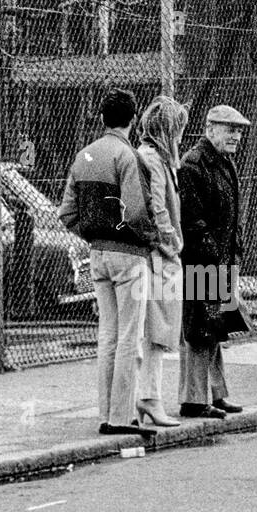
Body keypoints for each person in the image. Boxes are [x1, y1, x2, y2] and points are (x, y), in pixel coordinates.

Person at [58, 88, 158, 436]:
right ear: (134, 118)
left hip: (97, 253)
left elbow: (66, 212)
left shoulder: (84, 155)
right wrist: (152, 239)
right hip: (129, 255)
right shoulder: (128, 156)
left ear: (102, 118)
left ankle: (105, 415)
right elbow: (136, 210)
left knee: (108, 335)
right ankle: (122, 416)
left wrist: (91, 236)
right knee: (131, 337)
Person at [178, 104, 251, 419]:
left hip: (219, 258)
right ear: (210, 129)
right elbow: (192, 220)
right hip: (204, 260)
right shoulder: (194, 165)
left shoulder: (223, 162)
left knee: (213, 326)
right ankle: (195, 399)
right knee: (201, 329)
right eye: (229, 129)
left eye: (238, 130)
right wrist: (214, 256)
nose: (236, 135)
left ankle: (215, 394)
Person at [134, 96, 188, 428]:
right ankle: (149, 397)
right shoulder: (154, 160)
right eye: (179, 129)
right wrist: (171, 243)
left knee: (155, 327)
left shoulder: (152, 157)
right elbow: (157, 207)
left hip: (153, 252)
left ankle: (146, 396)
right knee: (158, 327)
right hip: (159, 254)